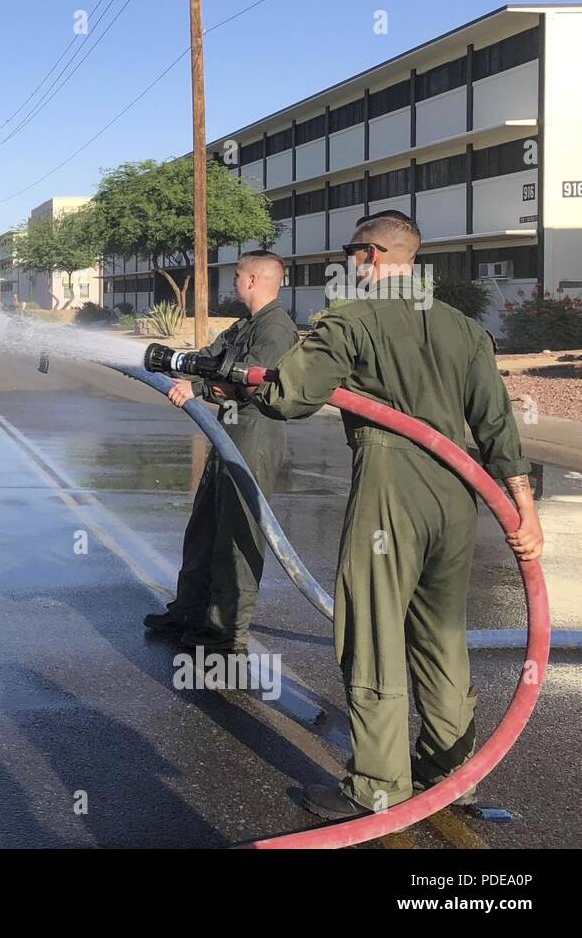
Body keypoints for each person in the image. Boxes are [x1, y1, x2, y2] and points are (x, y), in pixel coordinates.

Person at [252, 210, 544, 819]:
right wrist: (524, 510)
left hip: (392, 485)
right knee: (441, 634)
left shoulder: (354, 317)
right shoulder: (463, 328)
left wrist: (239, 385)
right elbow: (496, 426)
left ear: (375, 254)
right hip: (458, 491)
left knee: (374, 629)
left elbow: (289, 395)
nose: (350, 264)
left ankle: (380, 787)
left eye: (354, 253)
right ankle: (450, 770)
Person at [144, 250, 298, 655]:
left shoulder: (276, 329)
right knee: (204, 530)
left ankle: (224, 632)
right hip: (227, 435)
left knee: (236, 536)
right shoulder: (245, 325)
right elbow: (211, 362)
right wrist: (171, 364)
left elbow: (254, 384)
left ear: (252, 280)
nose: (232, 282)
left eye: (236, 276)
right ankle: (189, 613)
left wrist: (199, 389)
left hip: (254, 439)